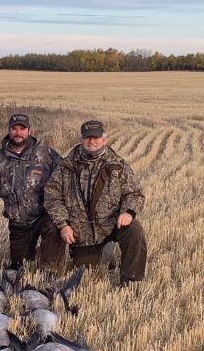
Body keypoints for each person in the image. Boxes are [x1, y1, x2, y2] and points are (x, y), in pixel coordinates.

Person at [44, 119, 147, 287]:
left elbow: (135, 193)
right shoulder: (66, 166)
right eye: (87, 137)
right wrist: (63, 224)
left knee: (134, 229)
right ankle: (105, 252)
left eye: (96, 137)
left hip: (110, 225)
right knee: (87, 271)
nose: (91, 141)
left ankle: (131, 280)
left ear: (104, 140)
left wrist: (128, 212)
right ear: (80, 139)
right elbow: (51, 196)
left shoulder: (117, 166)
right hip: (82, 232)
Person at [0, 112, 66, 272]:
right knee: (19, 267)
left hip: (43, 215)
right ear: (9, 131)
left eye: (22, 129)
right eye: (14, 128)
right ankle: (36, 255)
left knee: (54, 228)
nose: (18, 133)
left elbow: (66, 179)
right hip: (18, 221)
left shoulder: (47, 154)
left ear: (29, 131)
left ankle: (49, 269)